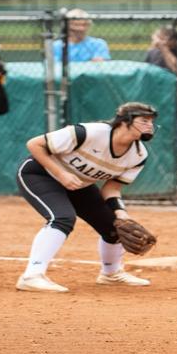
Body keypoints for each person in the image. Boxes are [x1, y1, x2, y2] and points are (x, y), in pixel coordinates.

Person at [12, 102, 161, 293]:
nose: (150, 125)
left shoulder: (138, 155)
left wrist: (121, 213)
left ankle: (111, 274)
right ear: (125, 122)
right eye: (144, 120)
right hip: (40, 174)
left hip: (79, 184)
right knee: (62, 217)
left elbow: (112, 189)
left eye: (152, 121)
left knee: (113, 225)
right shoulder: (91, 133)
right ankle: (31, 276)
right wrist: (61, 174)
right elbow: (35, 144)